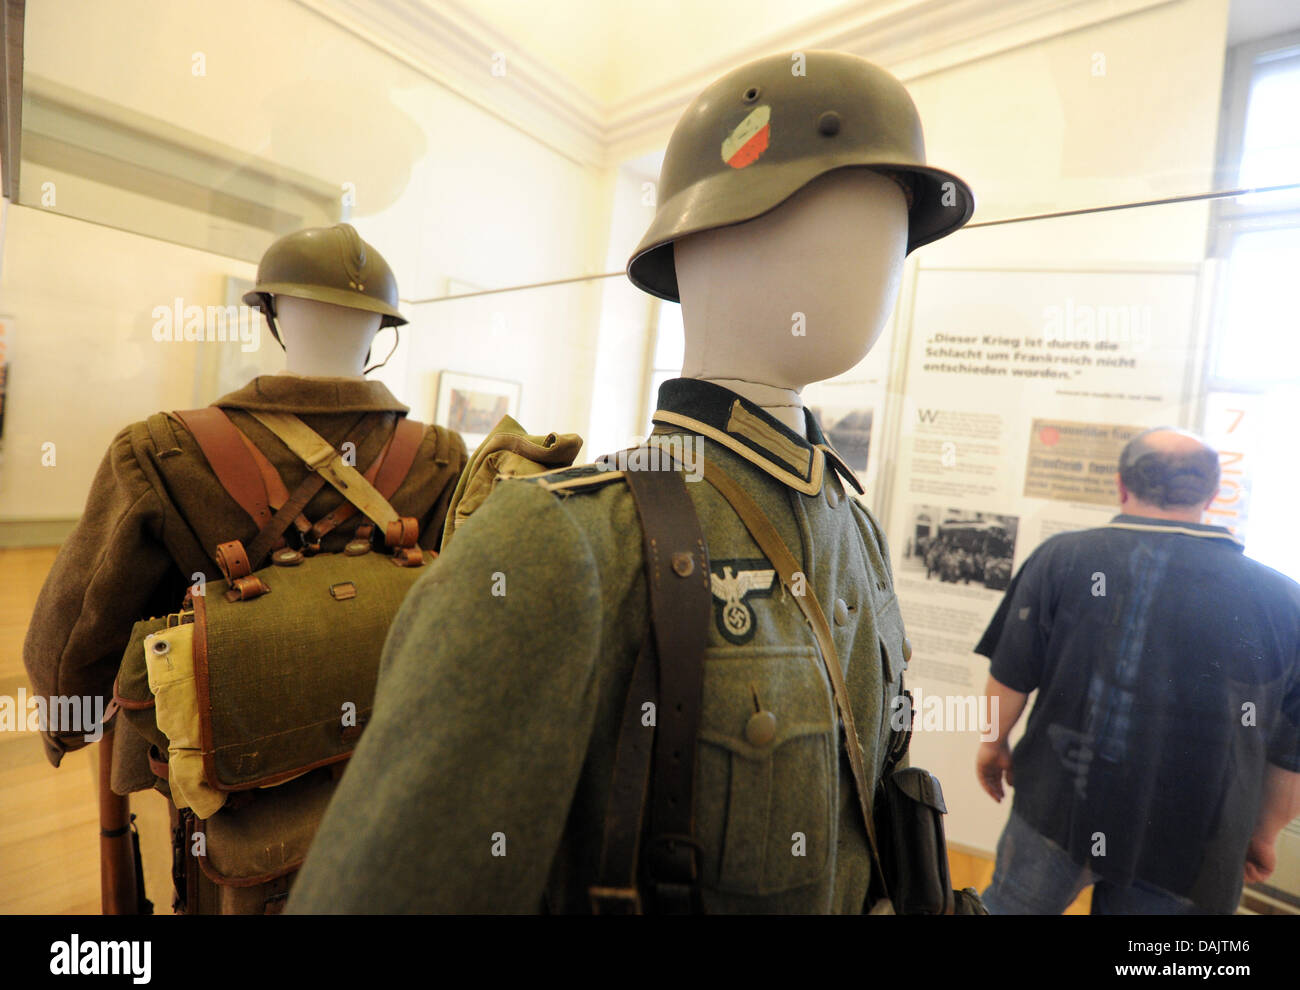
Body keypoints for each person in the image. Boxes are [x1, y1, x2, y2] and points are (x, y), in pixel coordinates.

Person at [288, 51, 973, 914]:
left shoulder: (854, 531)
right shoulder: (561, 543)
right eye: (851, 210)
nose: (887, 252)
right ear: (710, 234)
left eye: (895, 225)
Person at [23, 223, 466, 833]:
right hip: (384, 743)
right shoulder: (441, 452)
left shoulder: (163, 447)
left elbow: (75, 627)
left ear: (274, 314)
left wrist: (67, 722)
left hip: (221, 769)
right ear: (380, 331)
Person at [974, 426, 1300, 914]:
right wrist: (1265, 831)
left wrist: (992, 743)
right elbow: (1290, 745)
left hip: (1058, 805)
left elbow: (1012, 674)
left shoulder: (1061, 558)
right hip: (1196, 834)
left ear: (1121, 485)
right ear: (1213, 493)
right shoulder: (1283, 599)